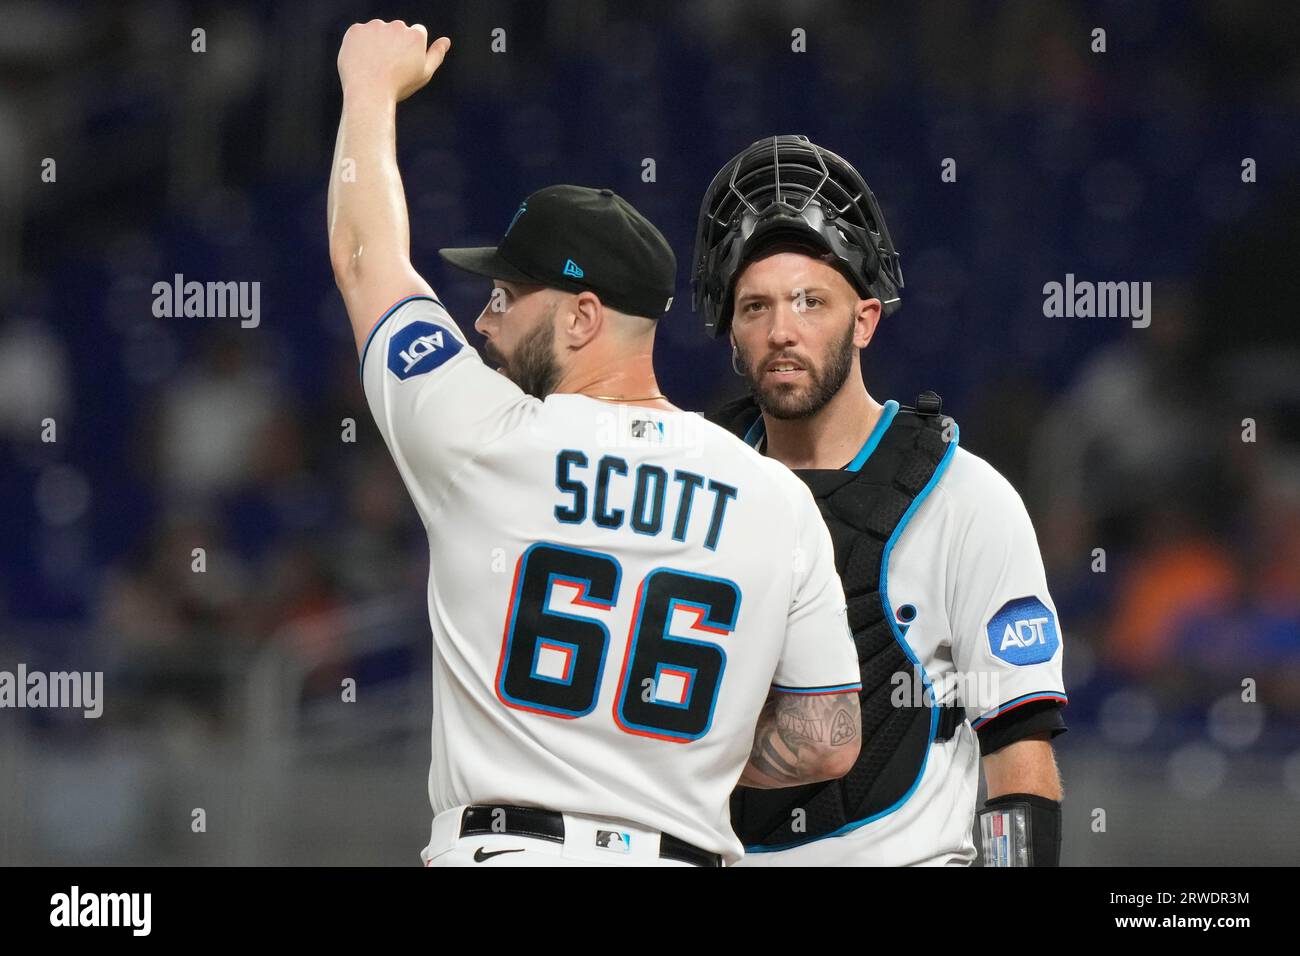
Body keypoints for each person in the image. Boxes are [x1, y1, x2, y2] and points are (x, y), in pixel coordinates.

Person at [327, 24, 861, 867]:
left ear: (581, 316)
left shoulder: (482, 437)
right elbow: (828, 739)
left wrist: (365, 88)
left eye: (506, 295)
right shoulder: (775, 499)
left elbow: (366, 259)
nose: (483, 319)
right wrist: (678, 771)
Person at [692, 135, 1068, 866]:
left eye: (810, 302)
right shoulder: (695, 491)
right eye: (755, 307)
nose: (781, 331)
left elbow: (1019, 758)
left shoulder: (965, 500)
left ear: (865, 319)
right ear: (731, 334)